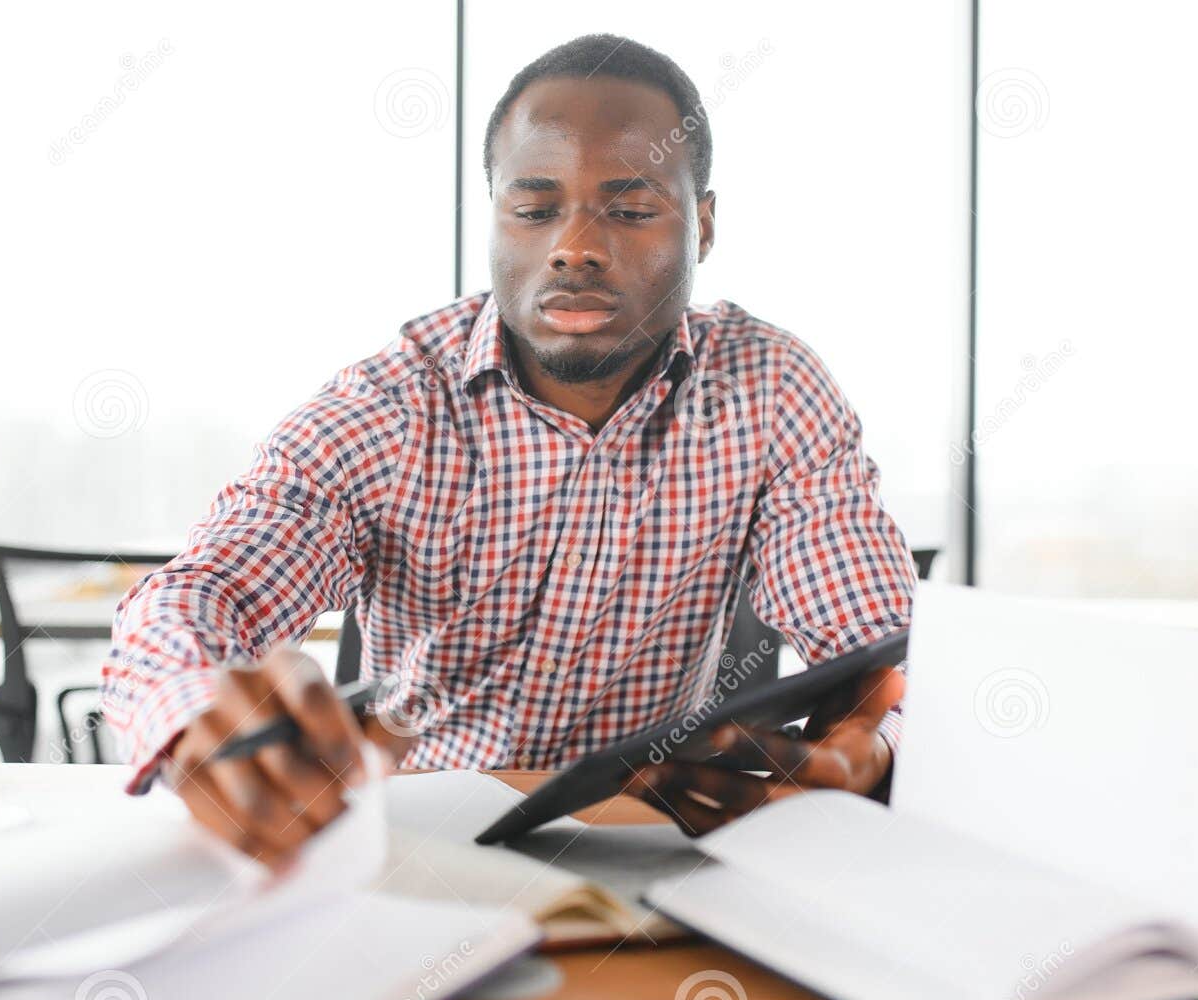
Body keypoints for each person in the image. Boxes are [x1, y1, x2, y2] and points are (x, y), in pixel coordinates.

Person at [101, 34, 915, 864]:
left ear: (703, 226)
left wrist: (869, 741)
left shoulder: (769, 390)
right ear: (493, 215)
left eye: (631, 211)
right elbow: (200, 592)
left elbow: (881, 643)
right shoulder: (392, 405)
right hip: (412, 855)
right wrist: (197, 712)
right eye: (533, 211)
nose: (575, 247)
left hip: (647, 855)